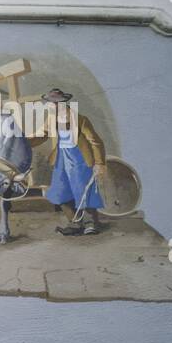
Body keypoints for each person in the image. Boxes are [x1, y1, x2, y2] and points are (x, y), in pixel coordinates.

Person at [41, 88, 107, 236]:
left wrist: (99, 162)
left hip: (80, 159)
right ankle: (76, 223)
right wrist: (23, 140)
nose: (48, 106)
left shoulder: (80, 119)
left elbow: (95, 142)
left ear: (60, 104)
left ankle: (91, 223)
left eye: (51, 104)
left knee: (84, 191)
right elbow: (42, 134)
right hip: (61, 159)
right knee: (60, 192)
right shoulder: (52, 119)